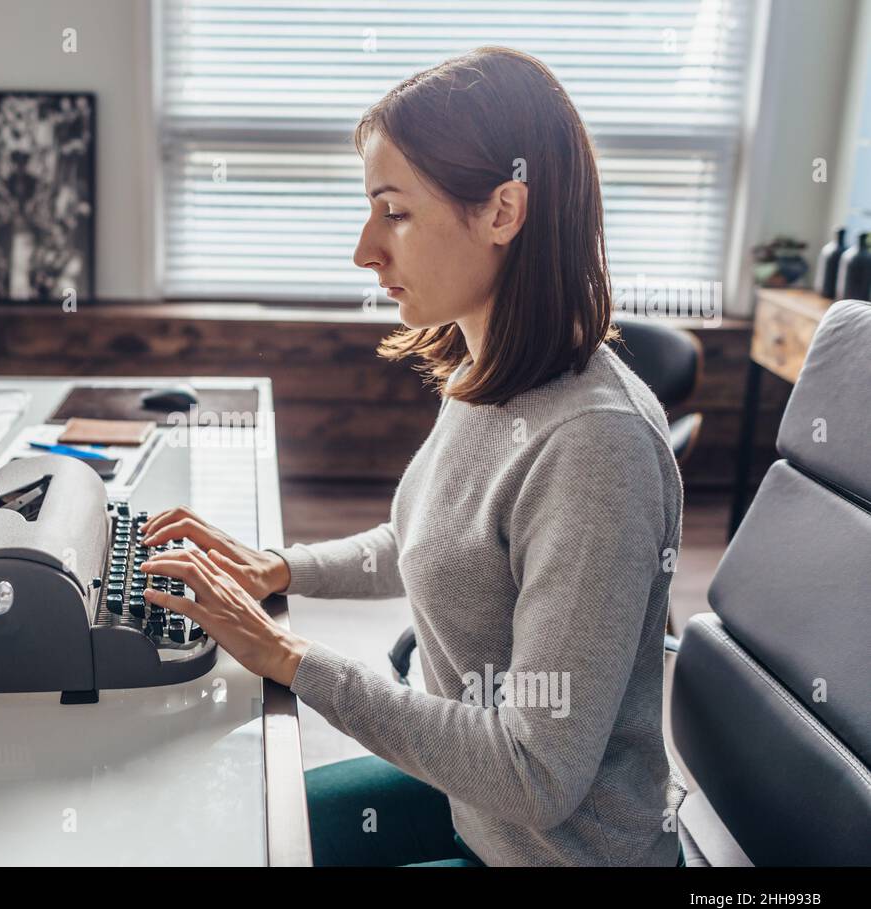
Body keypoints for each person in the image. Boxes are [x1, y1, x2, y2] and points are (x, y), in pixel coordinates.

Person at [139, 46, 686, 867]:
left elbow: (537, 774)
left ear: (504, 211)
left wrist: (290, 657)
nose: (365, 249)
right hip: (469, 805)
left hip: (550, 851)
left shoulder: (595, 449)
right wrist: (276, 568)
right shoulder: (485, 371)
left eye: (393, 212)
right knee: (221, 827)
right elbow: (430, 538)